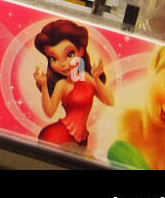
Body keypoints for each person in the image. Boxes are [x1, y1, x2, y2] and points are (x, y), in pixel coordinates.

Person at [32, 19, 114, 149]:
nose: (63, 64)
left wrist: (97, 79)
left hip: (81, 138)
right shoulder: (62, 85)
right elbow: (49, 112)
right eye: (53, 58)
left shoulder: (87, 78)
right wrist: (43, 84)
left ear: (81, 51)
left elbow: (109, 101)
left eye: (69, 54)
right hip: (58, 136)